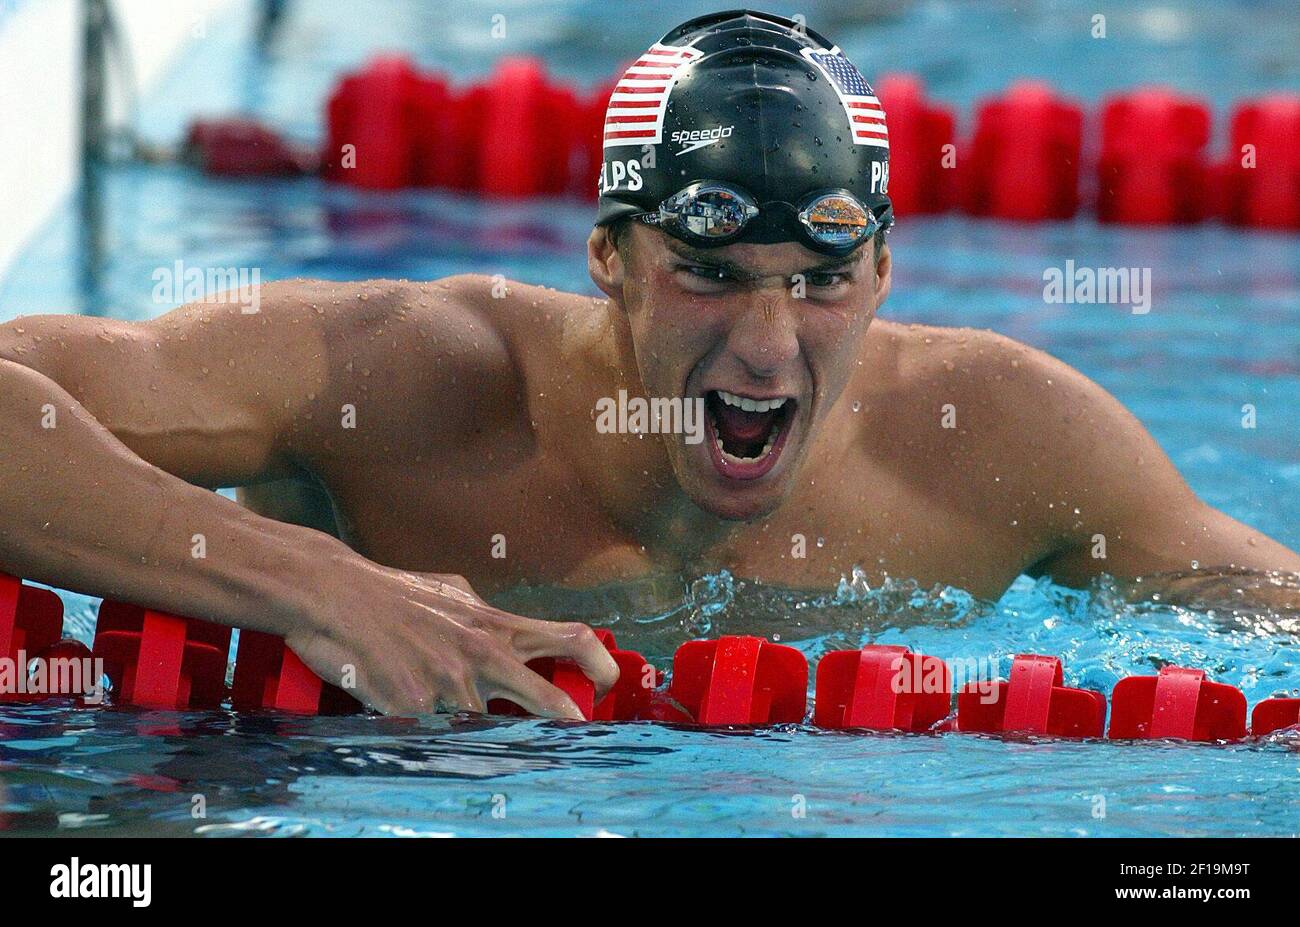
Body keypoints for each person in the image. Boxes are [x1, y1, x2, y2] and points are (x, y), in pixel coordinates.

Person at [0, 11, 1295, 716]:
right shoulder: (400, 374)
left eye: (822, 282)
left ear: (886, 274)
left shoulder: (1003, 436)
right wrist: (321, 585)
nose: (769, 344)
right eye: (712, 274)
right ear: (609, 257)